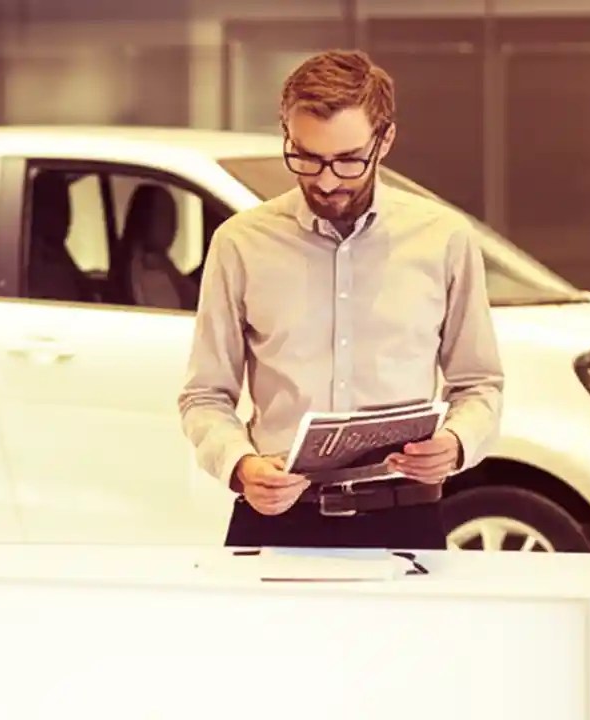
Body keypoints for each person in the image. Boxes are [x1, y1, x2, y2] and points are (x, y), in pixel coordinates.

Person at [177, 49, 504, 550]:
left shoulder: (443, 238)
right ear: (287, 135)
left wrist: (456, 445)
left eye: (348, 161)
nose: (327, 180)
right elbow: (205, 397)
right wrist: (240, 466)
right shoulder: (241, 243)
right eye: (306, 158)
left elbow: (478, 384)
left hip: (406, 518)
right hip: (275, 519)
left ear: (385, 140)